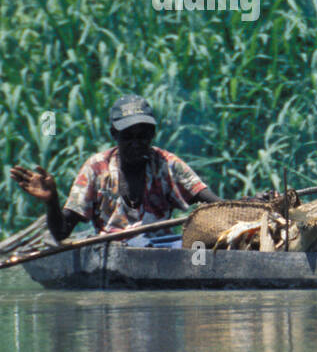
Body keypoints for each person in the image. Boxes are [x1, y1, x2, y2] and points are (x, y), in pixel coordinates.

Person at [9, 94, 220, 244]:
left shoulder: (166, 163)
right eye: (128, 136)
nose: (136, 143)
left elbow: (213, 203)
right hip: (113, 248)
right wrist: (52, 200)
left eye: (143, 135)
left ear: (152, 135)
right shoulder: (97, 167)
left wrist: (244, 208)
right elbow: (61, 234)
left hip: (162, 248)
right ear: (114, 135)